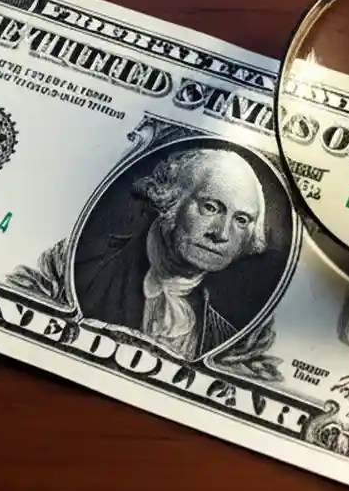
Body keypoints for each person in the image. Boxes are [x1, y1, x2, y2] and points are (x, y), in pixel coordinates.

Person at [74, 147, 269, 359]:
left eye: (241, 220)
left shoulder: (227, 341)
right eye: (211, 207)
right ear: (171, 201)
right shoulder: (83, 274)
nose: (221, 233)